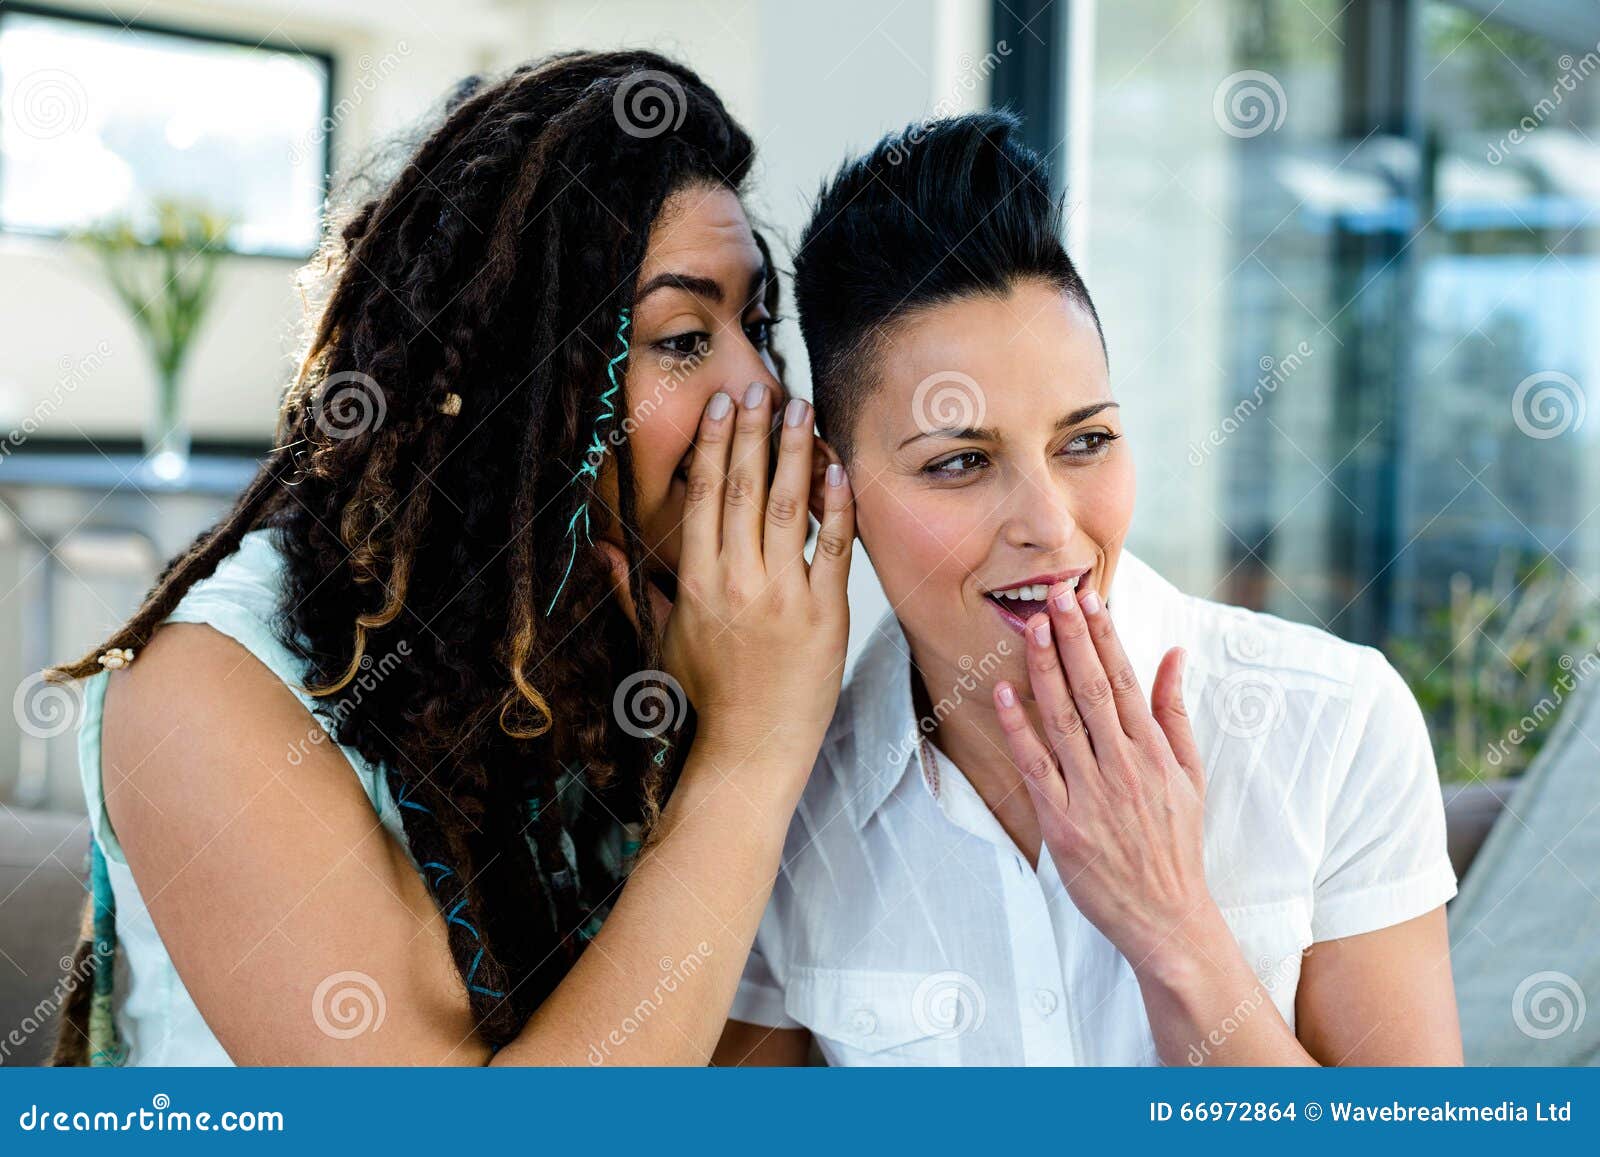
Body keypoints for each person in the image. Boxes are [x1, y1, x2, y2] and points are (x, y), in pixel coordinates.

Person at [47, 50, 855, 1066]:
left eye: (756, 323)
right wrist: (748, 755)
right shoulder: (205, 687)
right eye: (683, 338)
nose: (761, 389)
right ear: (518, 388)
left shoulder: (663, 635)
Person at [714, 112, 1461, 1067]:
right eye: (960, 462)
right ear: (834, 483)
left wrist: (1175, 930)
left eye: (1086, 441)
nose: (1050, 523)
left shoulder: (1335, 726)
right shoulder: (789, 797)